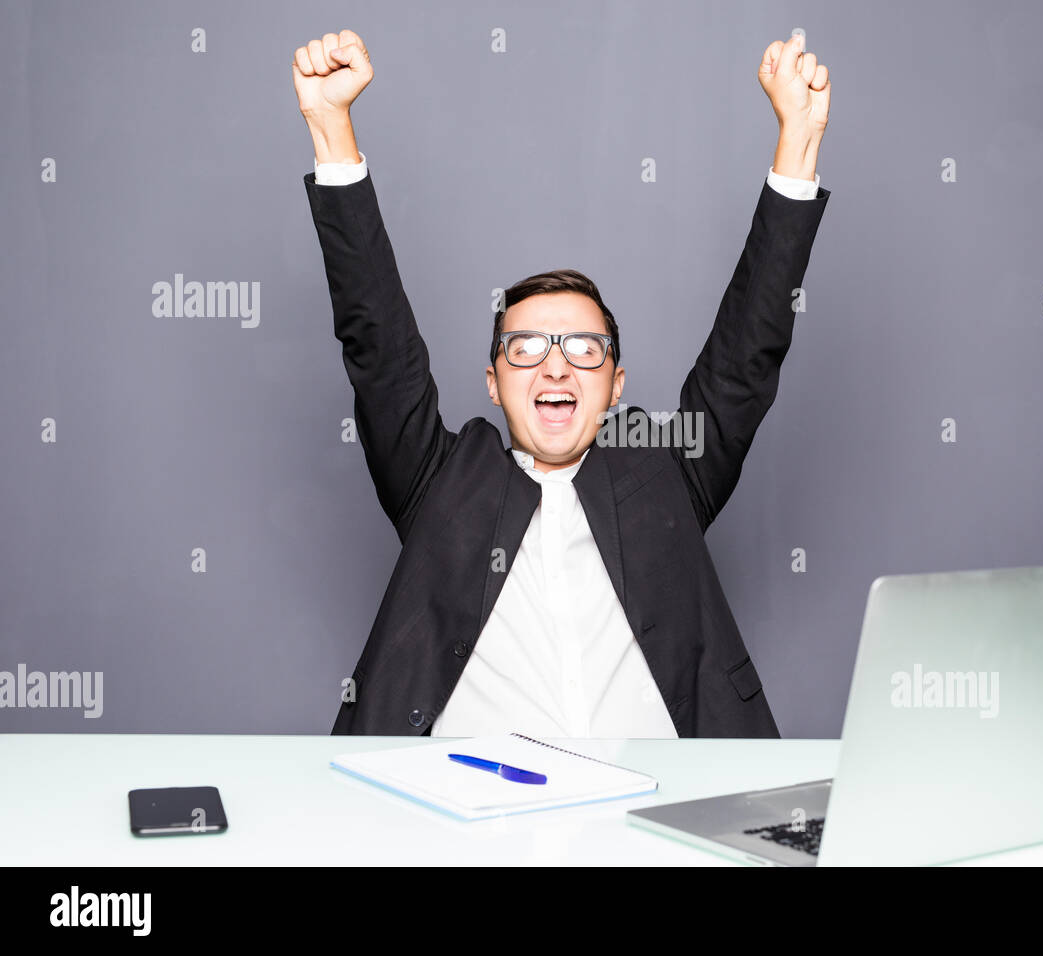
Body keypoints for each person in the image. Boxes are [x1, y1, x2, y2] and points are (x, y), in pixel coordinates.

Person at [292, 28, 831, 737]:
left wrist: (798, 137)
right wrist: (331, 126)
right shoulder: (441, 481)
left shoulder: (667, 473)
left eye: (583, 348)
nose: (554, 365)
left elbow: (746, 357)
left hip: (657, 816)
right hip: (468, 823)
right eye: (525, 348)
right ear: (492, 381)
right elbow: (379, 346)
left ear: (615, 385)